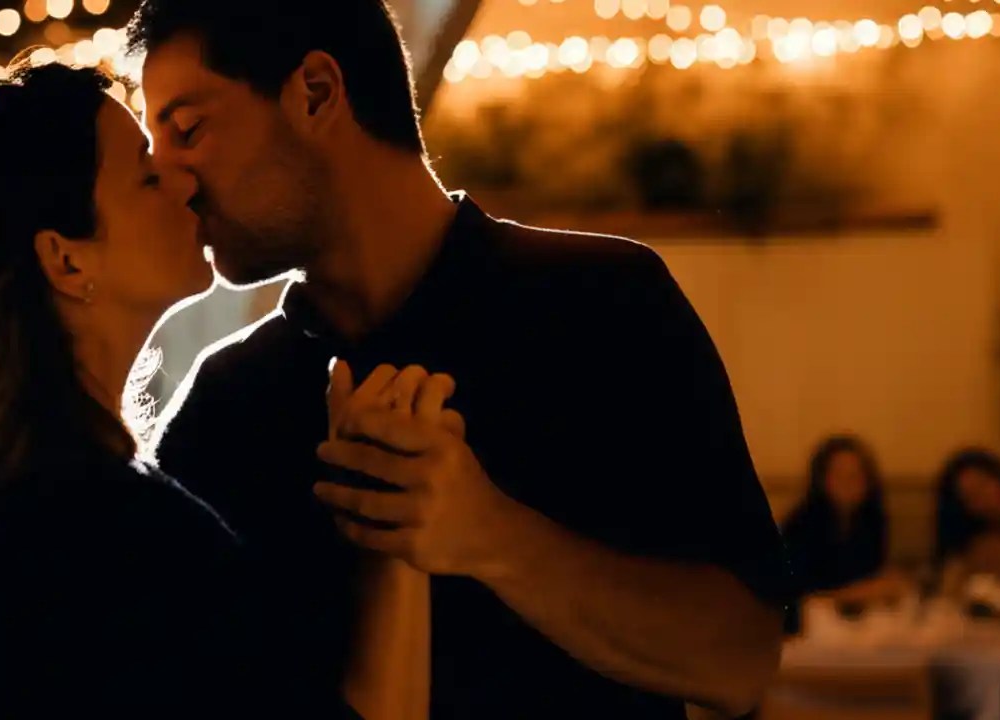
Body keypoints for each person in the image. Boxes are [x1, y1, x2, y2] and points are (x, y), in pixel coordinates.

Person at [132, 1, 791, 717]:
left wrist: (491, 536)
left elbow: (740, 664)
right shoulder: (228, 399)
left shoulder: (603, 302)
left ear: (316, 93)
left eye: (188, 130)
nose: (171, 180)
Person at [0, 60, 423, 718]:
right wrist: (397, 507)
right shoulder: (119, 546)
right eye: (146, 174)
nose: (183, 179)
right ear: (66, 259)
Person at [782, 435, 908, 607]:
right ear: (821, 479)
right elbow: (800, 593)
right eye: (838, 474)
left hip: (862, 614)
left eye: (855, 475)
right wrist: (858, 593)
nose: (848, 483)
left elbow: (874, 572)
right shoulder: (800, 524)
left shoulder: (871, 519)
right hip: (812, 615)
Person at [934, 448, 1000, 603]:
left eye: (984, 484)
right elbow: (946, 598)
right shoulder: (968, 547)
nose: (983, 499)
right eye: (970, 497)